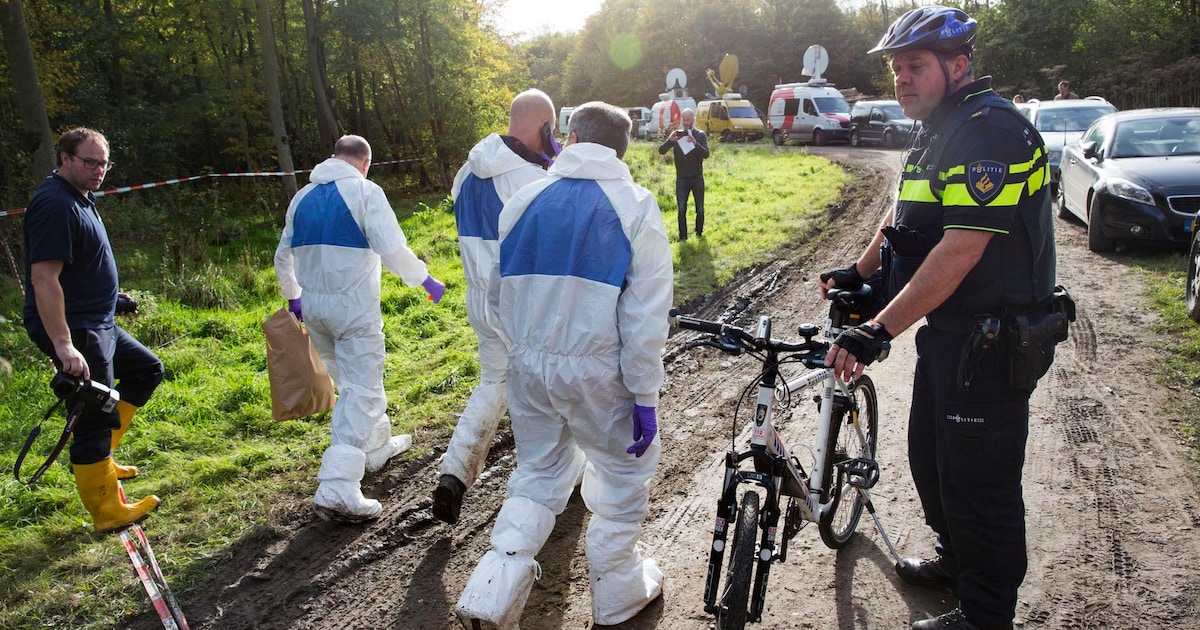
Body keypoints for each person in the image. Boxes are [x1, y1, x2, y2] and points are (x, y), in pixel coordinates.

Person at [819, 6, 1059, 630]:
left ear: (958, 66)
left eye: (915, 66)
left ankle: (985, 613)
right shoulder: (936, 128)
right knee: (932, 461)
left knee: (980, 483)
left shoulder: (990, 131)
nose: (902, 79)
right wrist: (860, 273)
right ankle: (957, 561)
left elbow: (962, 246)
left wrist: (877, 329)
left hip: (993, 339)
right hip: (951, 335)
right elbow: (904, 222)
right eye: (897, 68)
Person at [454, 102, 673, 628]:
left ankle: (493, 587)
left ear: (570, 136)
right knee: (624, 471)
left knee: (537, 472)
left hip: (527, 363)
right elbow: (645, 320)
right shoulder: (636, 207)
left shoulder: (525, 198)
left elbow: (497, 288)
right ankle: (617, 588)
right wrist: (644, 395)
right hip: (598, 373)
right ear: (622, 149)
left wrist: (523, 351)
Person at [274, 134, 446, 523]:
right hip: (352, 309)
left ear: (334, 156)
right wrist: (425, 281)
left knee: (353, 384)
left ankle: (376, 447)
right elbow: (392, 249)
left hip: (314, 308)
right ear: (365, 163)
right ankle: (337, 485)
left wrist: (294, 297)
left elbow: (282, 255)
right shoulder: (365, 192)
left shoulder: (301, 197)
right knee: (363, 390)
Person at [23, 127, 165, 533]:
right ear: (64, 158)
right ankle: (107, 512)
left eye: (104, 163)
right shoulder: (54, 205)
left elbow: (80, 265)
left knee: (145, 369)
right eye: (90, 162)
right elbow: (44, 280)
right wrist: (64, 345)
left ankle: (102, 459)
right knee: (93, 413)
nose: (99, 170)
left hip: (98, 318)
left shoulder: (81, 195)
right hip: (76, 329)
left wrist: (113, 297)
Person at [432, 89, 558, 524]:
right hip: (518, 304)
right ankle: (545, 486)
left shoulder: (468, 171)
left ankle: (455, 472)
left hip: (478, 299)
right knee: (546, 391)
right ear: (546, 127)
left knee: (495, 384)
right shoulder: (533, 181)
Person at [657, 107, 709, 241]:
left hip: (697, 178)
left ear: (694, 119)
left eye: (688, 120)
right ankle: (683, 238)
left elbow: (706, 154)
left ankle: (699, 234)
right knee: (681, 209)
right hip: (681, 179)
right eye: (684, 120)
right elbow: (661, 151)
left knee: (700, 209)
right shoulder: (677, 135)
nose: (686, 122)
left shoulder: (700, 135)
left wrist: (695, 144)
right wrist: (670, 141)